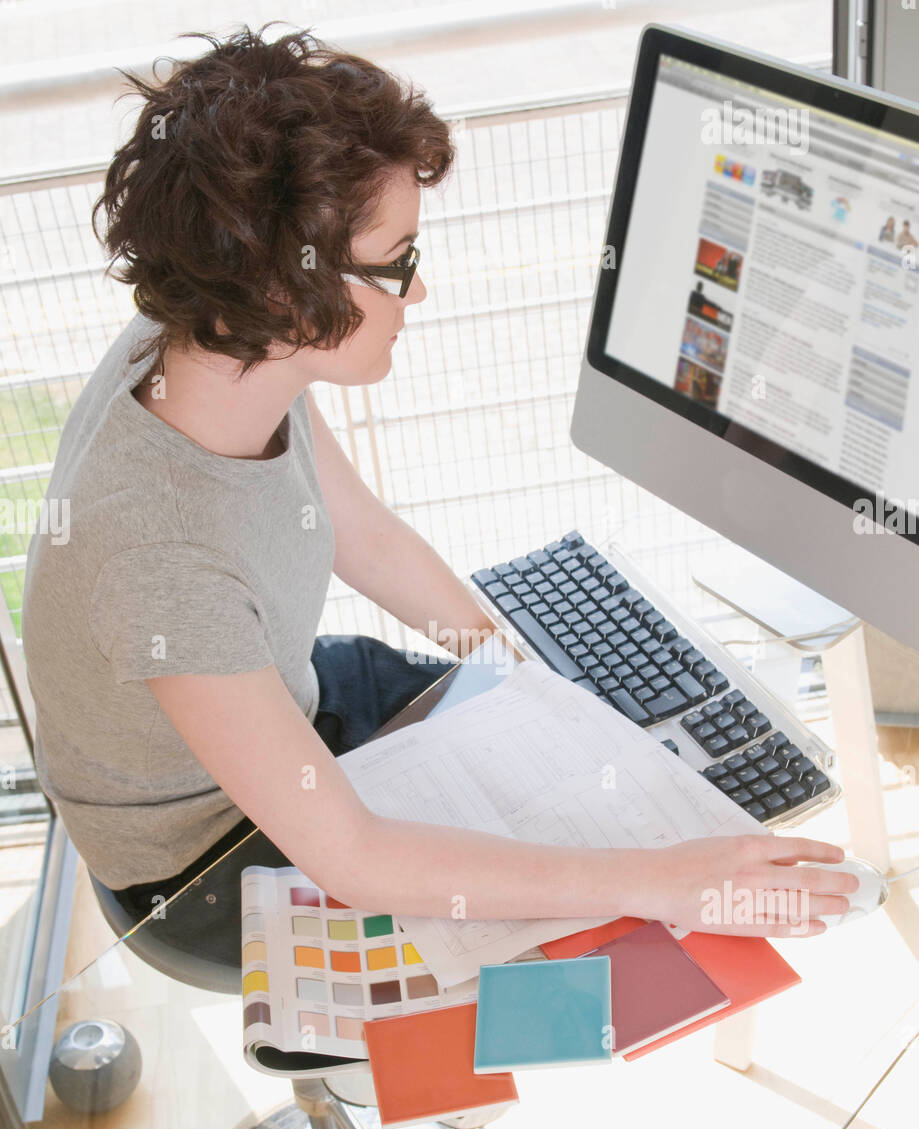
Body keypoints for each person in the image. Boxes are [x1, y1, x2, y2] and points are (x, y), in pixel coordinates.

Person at [21, 26, 854, 964]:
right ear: (285, 294)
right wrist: (668, 881)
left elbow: (357, 532)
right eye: (397, 260)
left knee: (578, 766)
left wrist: (528, 675)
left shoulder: (210, 340)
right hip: (200, 862)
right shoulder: (159, 557)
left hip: (290, 698)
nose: (417, 294)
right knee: (621, 898)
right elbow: (359, 860)